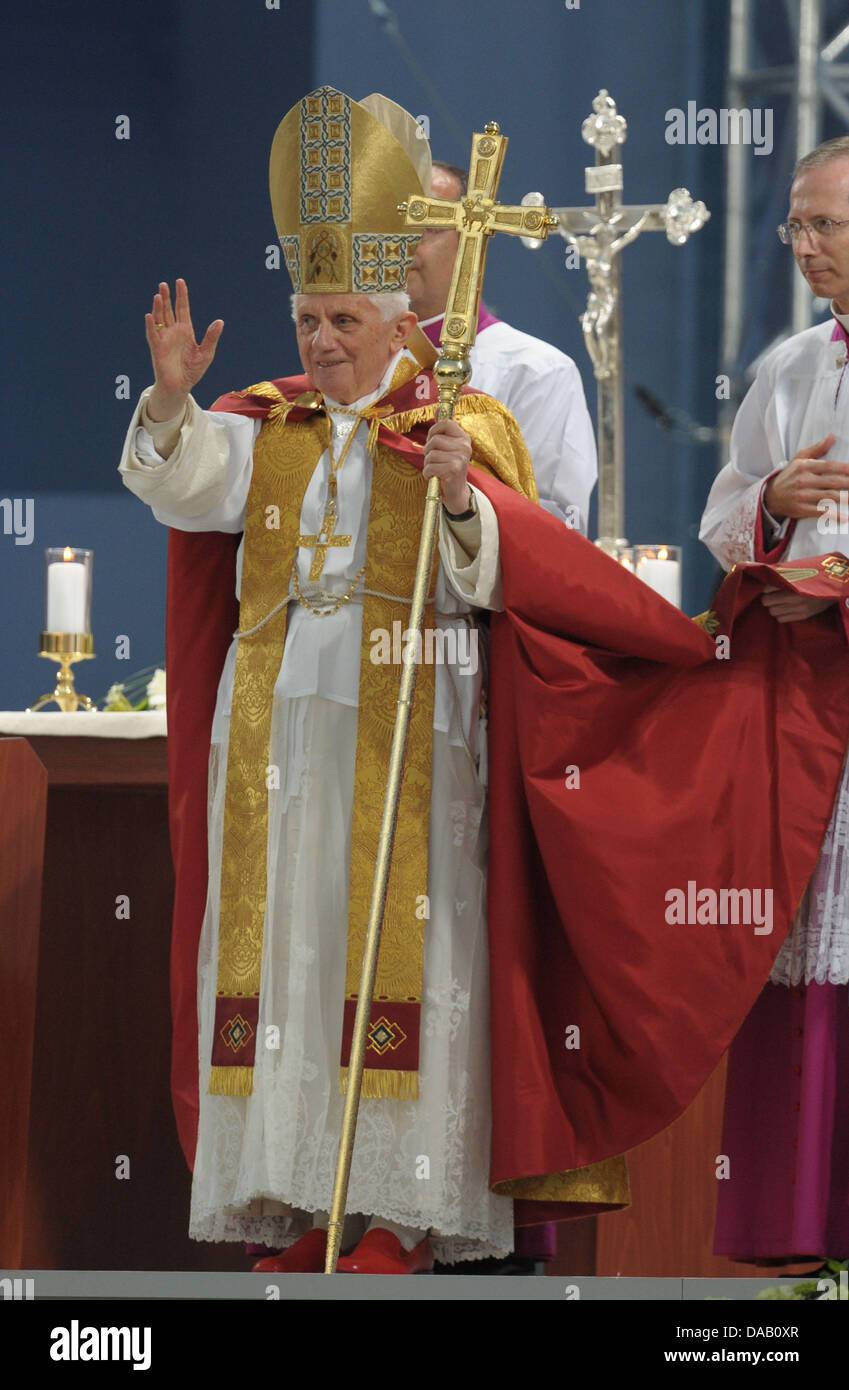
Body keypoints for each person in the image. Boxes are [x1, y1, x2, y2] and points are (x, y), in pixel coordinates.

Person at [118, 87, 630, 1275]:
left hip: (419, 738)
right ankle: (303, 1205)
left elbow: (520, 573)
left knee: (411, 957)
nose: (321, 343)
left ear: (404, 322)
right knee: (290, 954)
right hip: (281, 745)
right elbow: (181, 482)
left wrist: (459, 493)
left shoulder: (464, 421)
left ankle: (400, 1213)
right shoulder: (268, 425)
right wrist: (171, 397)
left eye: (344, 319)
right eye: (307, 318)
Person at [699, 135, 849, 1261]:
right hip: (804, 715)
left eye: (826, 225)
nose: (804, 246)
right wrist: (771, 505)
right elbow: (721, 510)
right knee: (805, 955)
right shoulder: (793, 365)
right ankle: (804, 1239)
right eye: (796, 224)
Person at [407, 161, 597, 532]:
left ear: (470, 244)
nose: (404, 246)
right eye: (394, 227)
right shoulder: (354, 365)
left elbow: (555, 531)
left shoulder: (538, 372)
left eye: (427, 227)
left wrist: (462, 503)